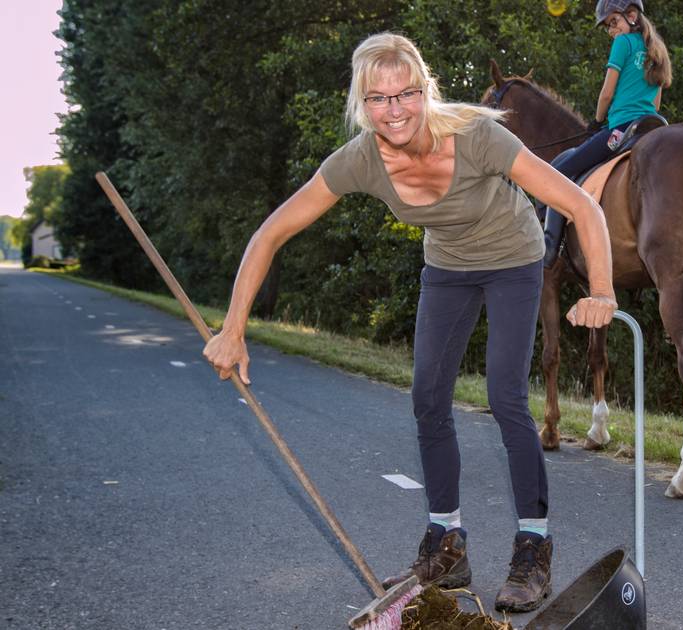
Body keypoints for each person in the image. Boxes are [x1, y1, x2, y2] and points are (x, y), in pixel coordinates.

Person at [202, 32, 617, 613]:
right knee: (427, 396)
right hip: (447, 267)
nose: (393, 109)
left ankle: (533, 547)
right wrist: (233, 327)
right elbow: (271, 231)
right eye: (377, 98)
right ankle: (447, 542)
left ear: (426, 91)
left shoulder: (477, 137)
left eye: (406, 94)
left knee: (506, 396)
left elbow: (582, 205)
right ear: (361, 103)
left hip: (513, 258)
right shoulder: (359, 161)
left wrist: (601, 290)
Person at [542, 0, 673, 266]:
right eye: (608, 28)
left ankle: (548, 249)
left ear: (632, 16)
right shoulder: (655, 50)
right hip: (652, 125)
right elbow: (656, 102)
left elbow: (607, 93)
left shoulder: (623, 43)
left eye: (614, 22)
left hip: (622, 128)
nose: (612, 31)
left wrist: (597, 120)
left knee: (557, 174)